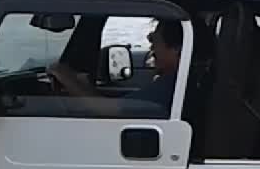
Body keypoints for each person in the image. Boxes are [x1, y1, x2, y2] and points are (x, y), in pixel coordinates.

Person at [47, 17, 182, 116]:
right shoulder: (178, 81)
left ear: (176, 49)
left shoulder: (173, 83)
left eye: (155, 41)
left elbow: (110, 110)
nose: (151, 48)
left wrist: (64, 75)